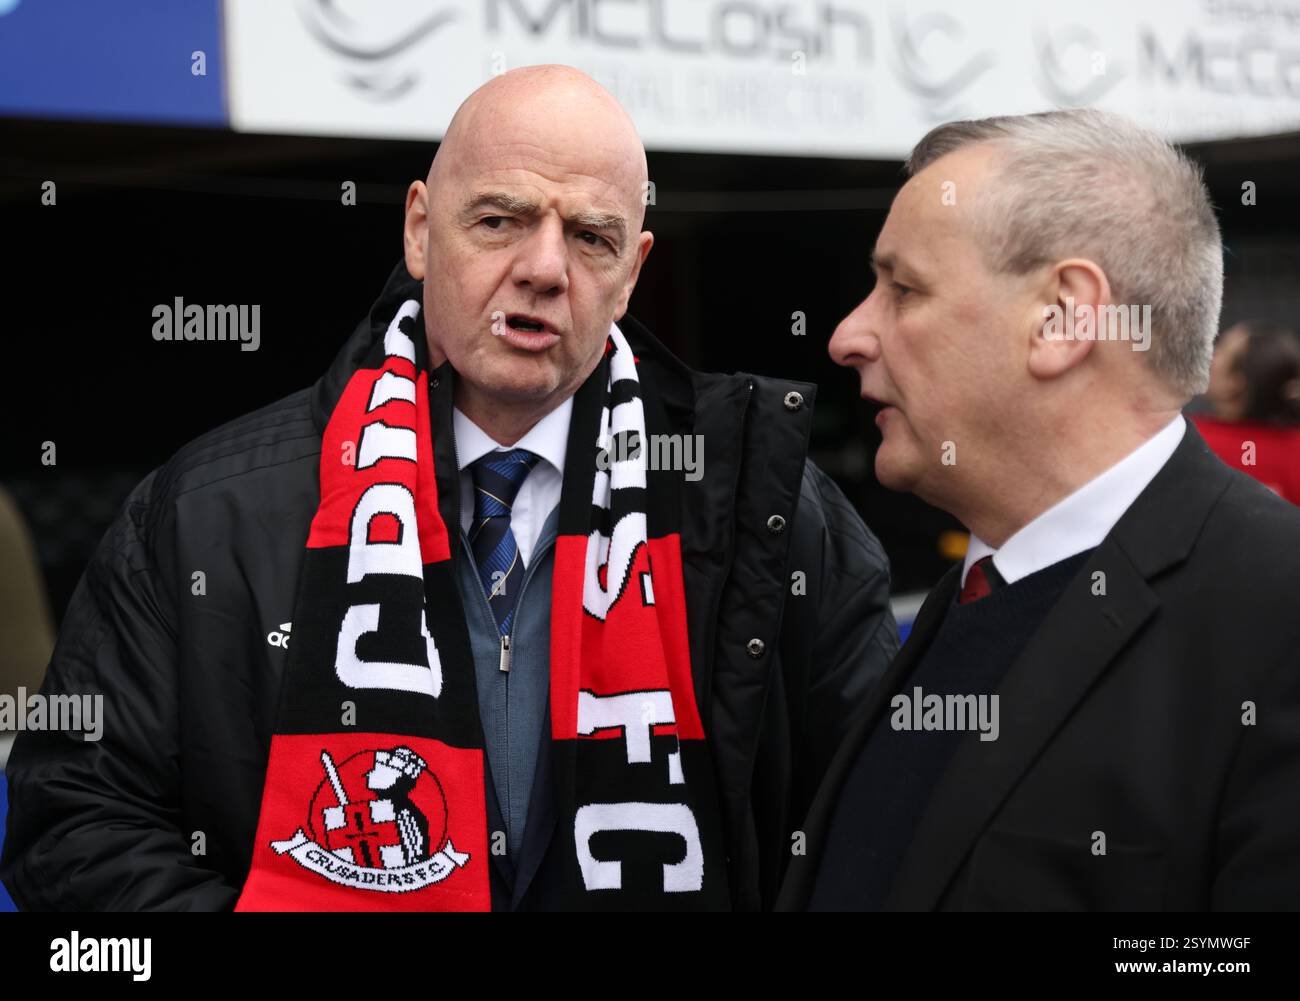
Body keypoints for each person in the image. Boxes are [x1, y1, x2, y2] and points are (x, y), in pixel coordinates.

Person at [0, 65, 897, 912]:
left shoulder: (770, 512)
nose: (546, 268)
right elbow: (72, 820)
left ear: (633, 272)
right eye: (500, 220)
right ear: (420, 231)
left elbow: (884, 829)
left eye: (591, 237)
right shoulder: (205, 511)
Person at [779, 108, 1300, 911]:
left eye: (904, 288)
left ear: (1062, 317)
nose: (848, 335)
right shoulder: (978, 594)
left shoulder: (1274, 613)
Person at [1194, 319, 1300, 504]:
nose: (1210, 355)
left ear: (1234, 385)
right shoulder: (1294, 452)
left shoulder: (1188, 440)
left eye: (1220, 350)